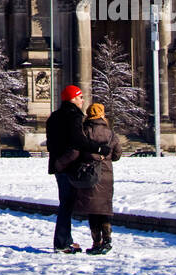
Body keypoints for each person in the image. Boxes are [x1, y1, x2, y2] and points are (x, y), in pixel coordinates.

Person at [45, 83, 111, 253]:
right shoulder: (73, 116)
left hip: (57, 164)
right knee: (67, 204)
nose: (82, 100)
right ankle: (61, 244)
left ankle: (66, 240)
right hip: (68, 165)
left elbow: (51, 144)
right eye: (80, 97)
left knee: (66, 203)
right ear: (73, 98)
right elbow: (78, 141)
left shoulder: (54, 116)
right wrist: (98, 148)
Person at [74, 102, 123, 254]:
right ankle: (107, 240)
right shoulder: (111, 134)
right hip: (106, 174)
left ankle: (97, 242)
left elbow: (78, 151)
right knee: (105, 209)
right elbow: (117, 154)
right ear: (102, 115)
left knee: (93, 209)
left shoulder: (85, 131)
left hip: (90, 174)